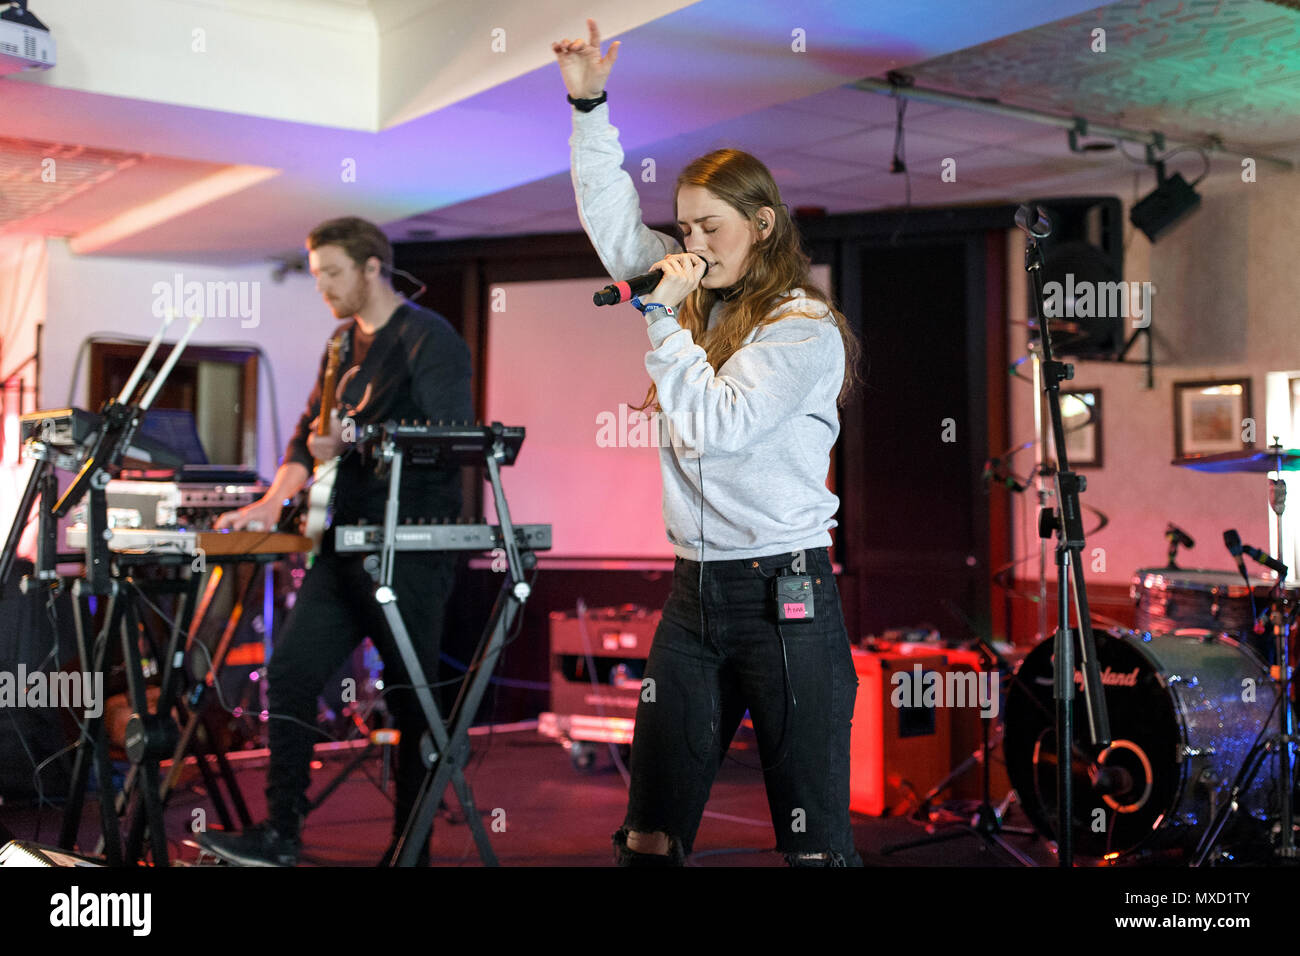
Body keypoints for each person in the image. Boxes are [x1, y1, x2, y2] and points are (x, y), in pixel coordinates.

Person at [553, 20, 864, 866]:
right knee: (650, 830)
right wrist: (589, 102)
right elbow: (610, 213)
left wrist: (659, 316)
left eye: (711, 228)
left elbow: (715, 424)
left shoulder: (803, 331)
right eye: (684, 229)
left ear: (761, 224)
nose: (691, 245)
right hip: (694, 596)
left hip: (785, 597)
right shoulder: (694, 300)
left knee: (811, 842)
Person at [198, 216, 473, 866]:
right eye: (317, 272)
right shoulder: (339, 344)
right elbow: (307, 435)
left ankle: (411, 852)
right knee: (290, 674)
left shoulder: (429, 338)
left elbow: (450, 435)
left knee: (411, 703)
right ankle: (280, 833)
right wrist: (269, 503)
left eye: (331, 272)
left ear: (372, 268)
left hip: (410, 547)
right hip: (341, 544)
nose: (321, 284)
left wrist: (352, 441)